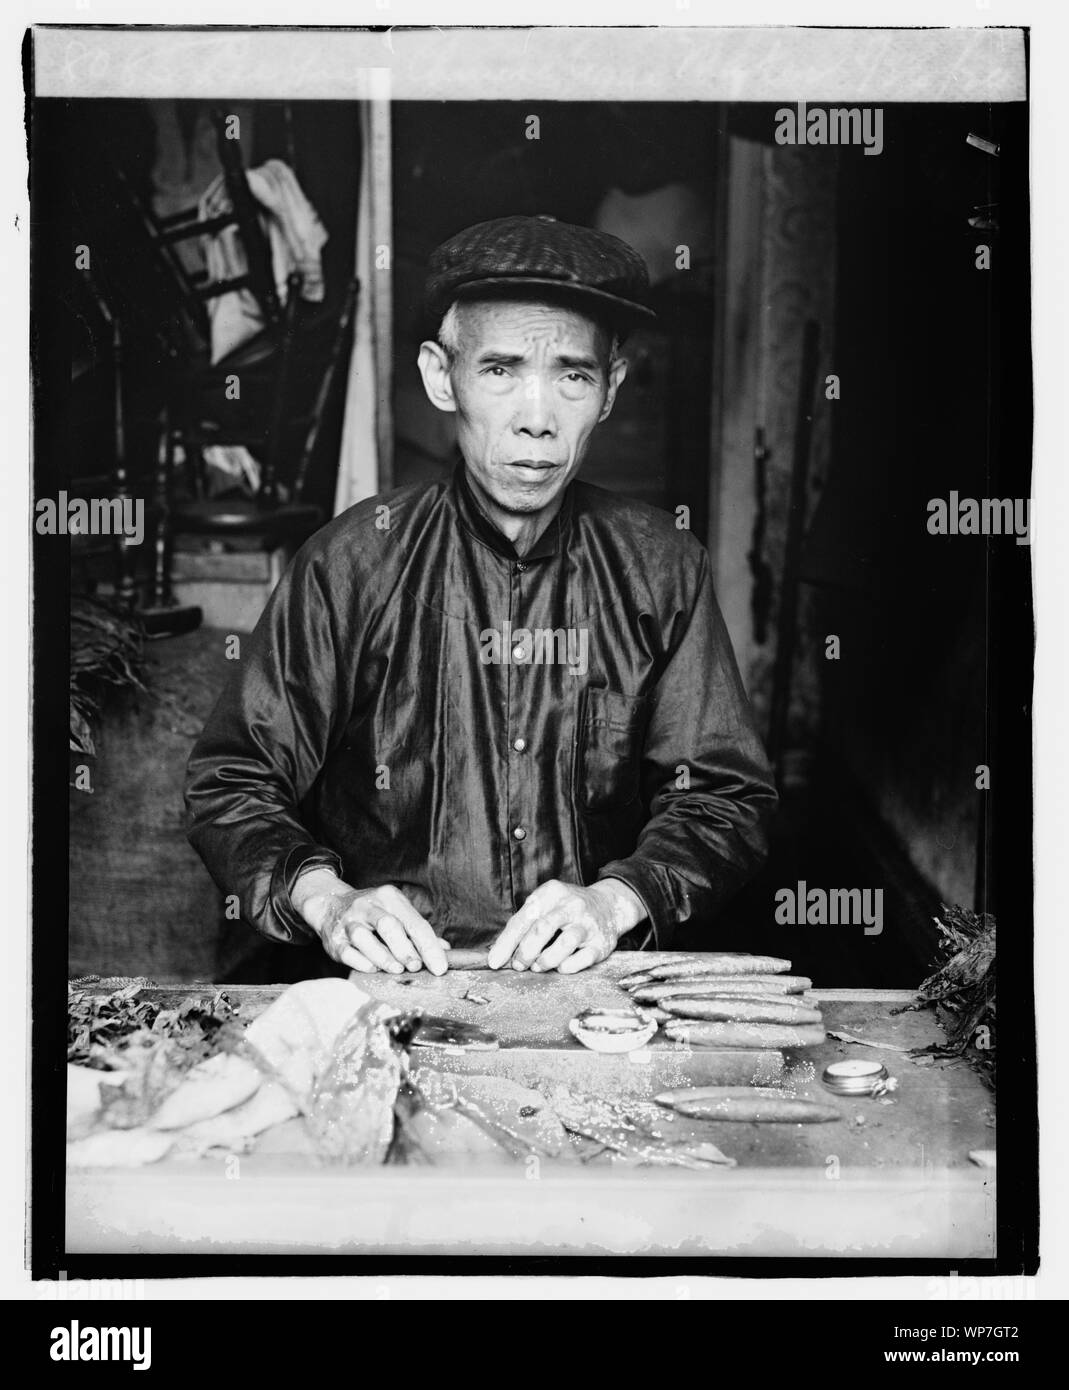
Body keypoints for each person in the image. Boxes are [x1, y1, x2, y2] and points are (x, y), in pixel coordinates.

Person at [185, 213, 777, 979]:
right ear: (441, 377)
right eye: (499, 370)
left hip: (589, 987)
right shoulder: (348, 564)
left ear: (609, 392)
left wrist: (618, 899)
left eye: (573, 375)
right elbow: (233, 779)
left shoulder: (662, 567)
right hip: (381, 984)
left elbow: (723, 796)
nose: (537, 420)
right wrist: (328, 899)